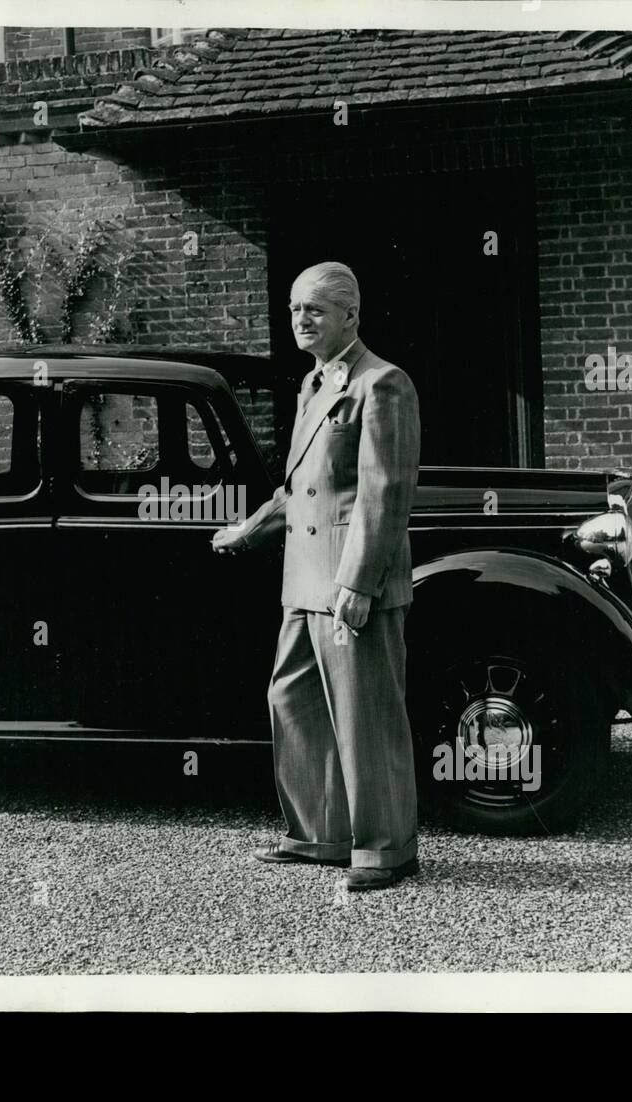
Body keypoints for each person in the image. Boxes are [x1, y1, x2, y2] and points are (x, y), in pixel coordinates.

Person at [212, 262, 421, 891]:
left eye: (315, 310)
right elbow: (299, 489)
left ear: (350, 316)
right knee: (293, 701)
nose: (301, 321)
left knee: (365, 716)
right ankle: (320, 836)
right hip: (303, 584)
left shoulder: (381, 384)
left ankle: (386, 851)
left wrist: (357, 583)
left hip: (348, 584)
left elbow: (384, 494)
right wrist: (249, 529)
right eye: (295, 309)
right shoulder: (312, 386)